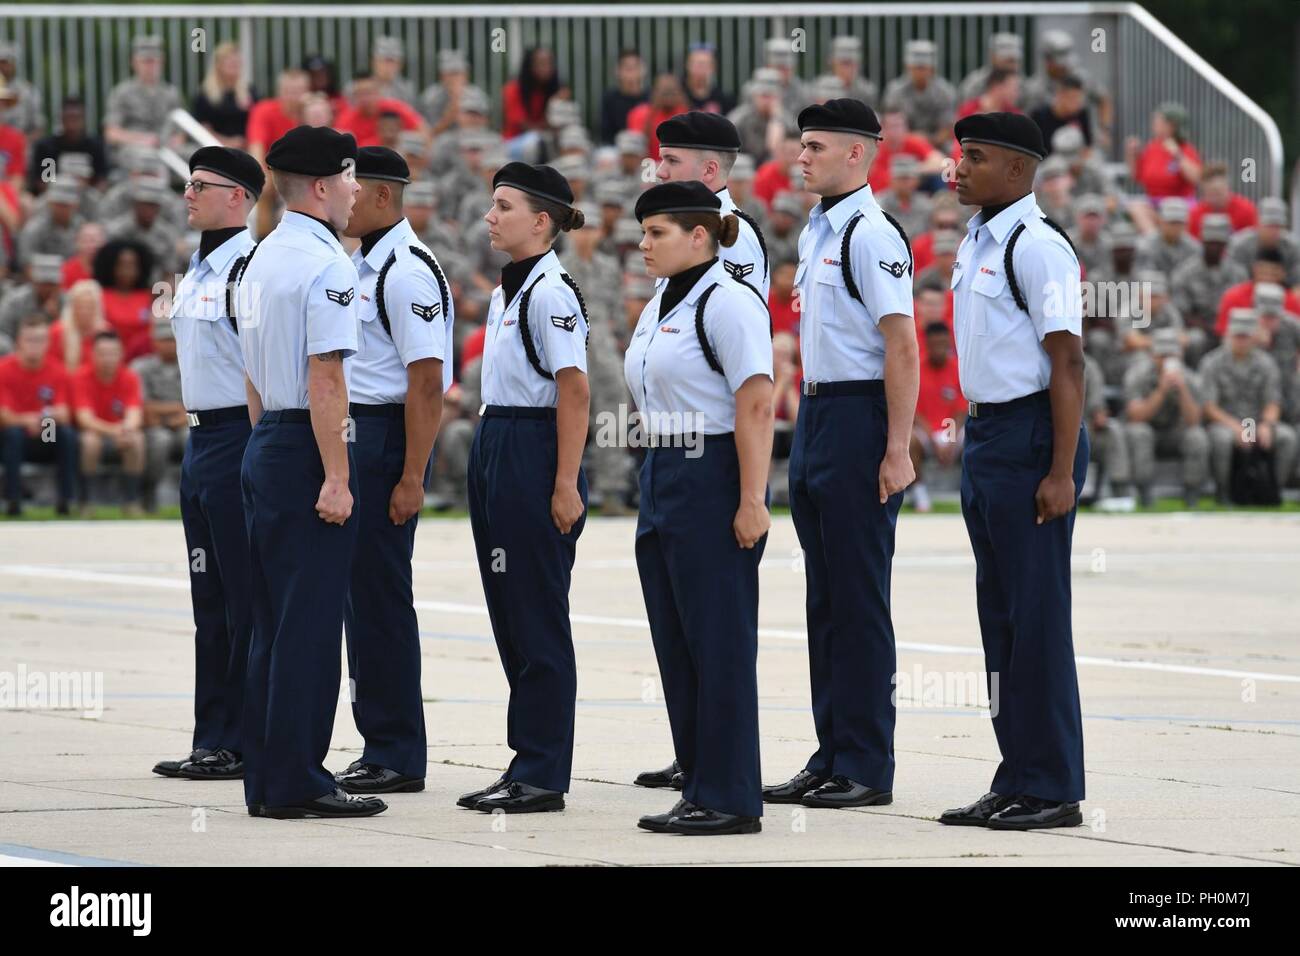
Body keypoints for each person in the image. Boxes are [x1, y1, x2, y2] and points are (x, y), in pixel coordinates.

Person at [763, 99, 919, 810]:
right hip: (821, 412)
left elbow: (901, 343)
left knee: (859, 600)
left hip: (859, 417)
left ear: (858, 155)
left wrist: (895, 447)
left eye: (816, 146)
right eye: (801, 144)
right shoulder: (819, 231)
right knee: (823, 599)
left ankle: (865, 762)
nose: (801, 157)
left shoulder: (869, 234)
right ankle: (831, 751)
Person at [942, 112, 1088, 830]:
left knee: (1036, 620)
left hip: (1032, 436)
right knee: (999, 621)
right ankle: (1016, 774)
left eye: (974, 156)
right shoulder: (977, 240)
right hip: (989, 433)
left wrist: (1061, 470)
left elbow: (1067, 360)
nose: (957, 167)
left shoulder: (1038, 247)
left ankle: (1054, 785)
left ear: (1019, 169)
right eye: (957, 154)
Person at [237, 125, 382, 820]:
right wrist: (336, 475)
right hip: (304, 447)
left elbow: (253, 375)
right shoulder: (328, 266)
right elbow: (326, 376)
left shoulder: (261, 256)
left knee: (270, 622)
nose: (359, 190)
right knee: (311, 627)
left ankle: (268, 777)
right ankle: (301, 779)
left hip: (267, 441)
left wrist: (272, 443)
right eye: (351, 178)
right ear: (322, 187)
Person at [625, 181, 774, 835]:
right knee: (677, 641)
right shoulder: (663, 300)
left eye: (656, 232)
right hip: (664, 469)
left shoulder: (728, 301)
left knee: (719, 642)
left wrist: (750, 498)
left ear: (699, 236)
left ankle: (732, 795)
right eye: (643, 232)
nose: (643, 244)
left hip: (712, 471)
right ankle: (698, 781)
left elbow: (757, 402)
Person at [458, 162, 590, 814]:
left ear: (541, 221)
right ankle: (525, 759)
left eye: (503, 206)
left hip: (534, 447)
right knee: (510, 611)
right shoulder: (509, 289)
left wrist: (565, 482)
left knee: (536, 614)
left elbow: (574, 389)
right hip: (499, 441)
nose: (490, 216)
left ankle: (542, 771)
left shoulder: (551, 292)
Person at [333, 147, 454, 796]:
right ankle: (380, 739)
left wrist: (412, 475)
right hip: (362, 431)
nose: (342, 201)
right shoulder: (364, 264)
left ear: (382, 196)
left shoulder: (405, 270)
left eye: (352, 190)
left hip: (386, 437)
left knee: (380, 597)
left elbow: (427, 382)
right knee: (361, 597)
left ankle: (397, 750)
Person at [150, 146, 263, 782]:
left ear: (239, 198)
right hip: (202, 440)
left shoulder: (245, 270)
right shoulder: (198, 268)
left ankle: (241, 739)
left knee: (242, 595)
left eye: (201, 185)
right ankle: (212, 735)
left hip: (236, 438)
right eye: (187, 184)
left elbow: (258, 369)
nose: (188, 194)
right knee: (209, 596)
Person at [1201, 308, 1296, 499]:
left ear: (1254, 337)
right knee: (1222, 440)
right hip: (1225, 422)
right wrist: (1237, 428)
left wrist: (1267, 425)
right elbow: (1209, 407)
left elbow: (1273, 402)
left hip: (1255, 422)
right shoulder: (1212, 362)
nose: (1241, 341)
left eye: (1246, 336)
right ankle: (1224, 492)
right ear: (1228, 334)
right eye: (1238, 336)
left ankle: (1272, 491)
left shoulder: (1266, 363)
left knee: (1287, 437)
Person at [1122, 328, 1209, 508]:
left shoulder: (1190, 378)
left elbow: (1194, 420)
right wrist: (1161, 391)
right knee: (1139, 432)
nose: (1167, 360)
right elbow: (1135, 416)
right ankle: (1145, 494)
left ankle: (1191, 494)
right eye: (1162, 354)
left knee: (1197, 436)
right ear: (1153, 355)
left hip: (1175, 433)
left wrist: (1183, 390)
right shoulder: (1138, 374)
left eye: (1172, 355)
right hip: (1148, 430)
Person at [0, 316, 77, 515]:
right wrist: (29, 420)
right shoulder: (4, 370)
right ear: (19, 342)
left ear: (48, 343)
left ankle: (65, 501)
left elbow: (63, 413)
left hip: (45, 432)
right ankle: (13, 501)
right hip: (12, 437)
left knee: (65, 434)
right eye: (30, 340)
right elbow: (5, 416)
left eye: (40, 340)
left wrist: (41, 419)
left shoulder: (57, 370)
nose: (35, 345)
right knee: (13, 433)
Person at [72, 331, 145, 515]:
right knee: (90, 441)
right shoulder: (81, 376)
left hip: (119, 434)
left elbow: (134, 414)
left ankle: (131, 501)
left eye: (112, 353)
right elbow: (85, 419)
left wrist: (126, 430)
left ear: (121, 354)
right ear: (93, 354)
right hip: (95, 434)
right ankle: (86, 502)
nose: (108, 358)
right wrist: (116, 431)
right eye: (102, 353)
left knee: (137, 439)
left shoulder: (130, 377)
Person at [909, 321, 964, 513]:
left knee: (977, 435)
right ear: (927, 344)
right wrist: (933, 439)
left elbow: (960, 411)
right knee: (909, 440)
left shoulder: (959, 368)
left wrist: (949, 439)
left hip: (952, 430)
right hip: (926, 432)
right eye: (934, 344)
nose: (939, 349)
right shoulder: (916, 368)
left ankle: (969, 490)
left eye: (943, 344)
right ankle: (919, 493)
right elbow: (914, 413)